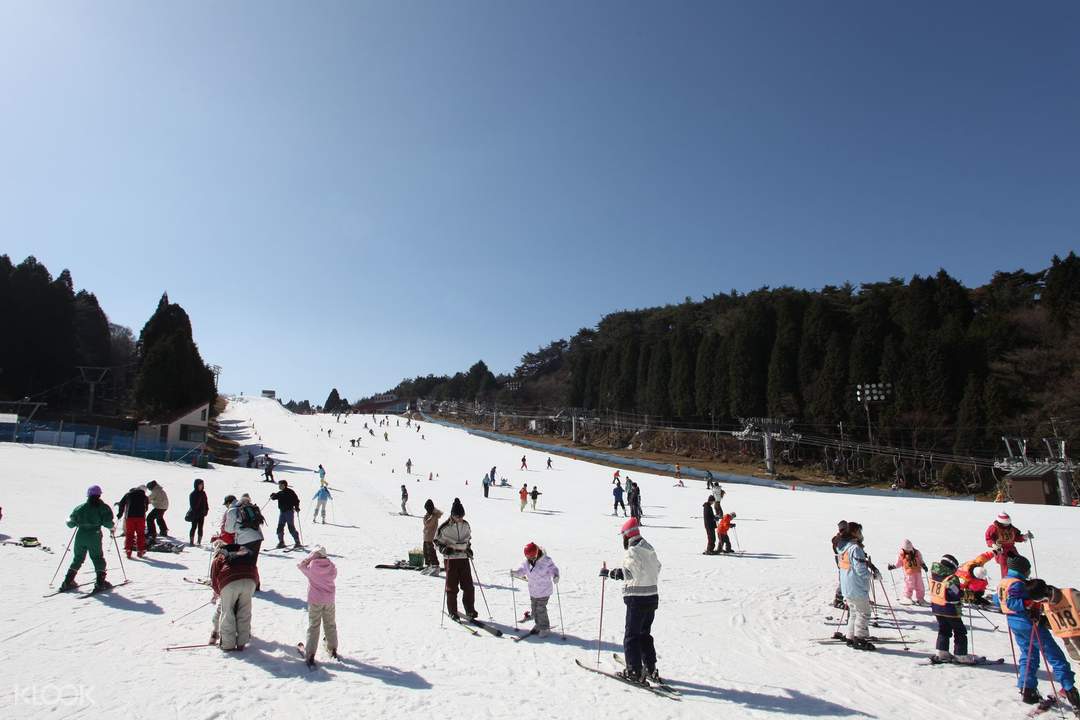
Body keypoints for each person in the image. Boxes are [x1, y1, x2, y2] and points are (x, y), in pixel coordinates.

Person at [1000, 556, 1078, 705]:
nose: (1029, 572)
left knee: (1028, 655)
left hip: (1014, 622)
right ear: (1022, 569)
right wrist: (1031, 602)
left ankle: (1028, 690)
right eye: (1027, 569)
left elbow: (1000, 601)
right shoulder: (1017, 583)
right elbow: (1012, 602)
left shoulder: (1004, 581)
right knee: (1055, 656)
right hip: (1028, 622)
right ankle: (1071, 691)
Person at [602, 517, 661, 684]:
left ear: (627, 535)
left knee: (631, 636)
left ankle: (634, 670)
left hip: (637, 599)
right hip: (652, 597)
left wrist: (609, 573)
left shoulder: (632, 551)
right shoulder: (648, 548)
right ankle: (650, 667)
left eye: (623, 536)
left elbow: (628, 573)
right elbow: (658, 567)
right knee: (644, 634)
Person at [59, 485, 115, 592]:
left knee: (78, 558)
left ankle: (67, 581)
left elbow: (70, 524)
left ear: (88, 495)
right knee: (97, 558)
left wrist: (69, 520)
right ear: (99, 495)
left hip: (80, 535)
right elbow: (108, 523)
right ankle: (100, 583)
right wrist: (112, 527)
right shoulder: (103, 507)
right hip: (94, 535)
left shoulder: (80, 508)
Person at [835, 521, 876, 651]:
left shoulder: (842, 547)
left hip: (847, 586)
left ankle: (850, 636)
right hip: (856, 587)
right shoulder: (854, 548)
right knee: (863, 613)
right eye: (859, 532)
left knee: (854, 613)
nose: (861, 534)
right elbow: (860, 570)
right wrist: (873, 575)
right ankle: (860, 638)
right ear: (853, 533)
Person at [210, 542, 258, 651]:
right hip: (250, 580)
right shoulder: (245, 553)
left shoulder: (220, 556)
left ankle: (227, 645)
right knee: (244, 611)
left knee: (227, 612)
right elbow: (255, 571)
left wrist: (219, 593)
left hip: (230, 582)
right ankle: (242, 642)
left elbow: (214, 579)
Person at [434, 498, 476, 621]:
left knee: (468, 586)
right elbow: (436, 542)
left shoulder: (466, 525)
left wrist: (468, 549)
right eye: (458, 517)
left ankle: (470, 610)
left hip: (463, 558)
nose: (460, 519)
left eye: (462, 516)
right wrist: (443, 549)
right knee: (452, 587)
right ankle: (453, 611)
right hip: (451, 558)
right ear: (452, 516)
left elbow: (468, 539)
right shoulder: (444, 527)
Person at [928, 554, 975, 663]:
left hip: (936, 607)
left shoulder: (935, 574)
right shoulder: (951, 578)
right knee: (960, 631)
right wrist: (964, 594)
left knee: (944, 630)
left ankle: (941, 651)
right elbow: (955, 593)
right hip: (950, 609)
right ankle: (960, 655)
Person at [298, 545, 338, 667]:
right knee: (330, 624)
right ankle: (332, 648)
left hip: (315, 600)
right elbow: (335, 572)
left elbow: (300, 565)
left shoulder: (312, 567)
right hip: (329, 600)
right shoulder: (331, 567)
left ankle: (310, 654)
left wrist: (309, 558)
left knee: (314, 626)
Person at [512, 542, 560, 637]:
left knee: (540, 609)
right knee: (534, 610)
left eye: (532, 557)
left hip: (544, 591)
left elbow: (553, 569)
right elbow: (522, 570)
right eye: (528, 557)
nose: (530, 559)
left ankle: (544, 627)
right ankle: (538, 625)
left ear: (537, 553)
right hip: (533, 591)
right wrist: (516, 572)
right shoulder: (526, 562)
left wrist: (555, 575)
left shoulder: (546, 561)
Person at [985, 512, 1031, 578]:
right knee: (1005, 566)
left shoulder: (1011, 528)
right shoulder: (993, 528)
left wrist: (1024, 537)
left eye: (1008, 523)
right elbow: (988, 538)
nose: (1007, 525)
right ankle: (1006, 581)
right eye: (1005, 523)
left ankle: (1020, 577)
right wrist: (993, 545)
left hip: (1011, 550)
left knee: (1017, 562)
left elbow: (1016, 537)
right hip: (1001, 551)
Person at [887, 539, 927, 605]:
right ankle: (907, 597)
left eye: (909, 548)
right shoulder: (902, 554)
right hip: (909, 573)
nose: (908, 550)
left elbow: (920, 560)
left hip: (918, 572)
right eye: (906, 549)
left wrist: (924, 565)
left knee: (920, 585)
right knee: (909, 585)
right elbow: (899, 563)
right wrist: (893, 566)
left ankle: (920, 599)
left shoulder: (917, 552)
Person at [115, 485, 148, 558]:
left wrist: (120, 514)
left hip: (129, 518)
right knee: (140, 534)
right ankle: (140, 551)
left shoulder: (128, 495)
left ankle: (128, 551)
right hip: (141, 518)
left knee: (129, 534)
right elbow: (146, 507)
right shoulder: (144, 496)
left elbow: (121, 504)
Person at [270, 480, 302, 549]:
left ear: (284, 485)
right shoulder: (280, 493)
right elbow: (274, 497)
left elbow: (296, 500)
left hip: (289, 512)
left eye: (281, 485)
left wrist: (297, 507)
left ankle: (297, 542)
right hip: (282, 512)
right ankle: (281, 542)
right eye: (279, 485)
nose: (279, 486)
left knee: (291, 527)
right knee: (280, 527)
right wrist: (272, 496)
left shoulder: (290, 492)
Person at [830, 520, 849, 609]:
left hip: (846, 562)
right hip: (842, 563)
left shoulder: (845, 537)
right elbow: (836, 546)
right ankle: (838, 600)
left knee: (848, 580)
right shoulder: (838, 539)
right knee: (843, 580)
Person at [422, 499, 442, 571]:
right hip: (427, 536)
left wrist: (426, 518)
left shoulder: (434, 516)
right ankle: (429, 565)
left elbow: (428, 524)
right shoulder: (429, 515)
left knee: (431, 552)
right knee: (426, 552)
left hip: (431, 536)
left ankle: (435, 565)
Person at [187, 478, 209, 545]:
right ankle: (191, 541)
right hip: (195, 514)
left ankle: (199, 542)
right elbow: (193, 506)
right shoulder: (193, 494)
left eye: (202, 484)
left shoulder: (203, 493)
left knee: (200, 528)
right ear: (196, 485)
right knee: (193, 527)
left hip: (202, 514)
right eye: (200, 484)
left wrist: (207, 509)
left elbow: (206, 502)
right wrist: (199, 498)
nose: (201, 486)